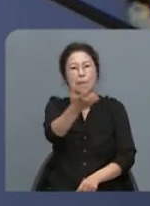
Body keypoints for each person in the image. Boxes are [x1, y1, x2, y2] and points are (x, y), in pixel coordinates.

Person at [38, 41, 137, 191]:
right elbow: (53, 133)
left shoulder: (114, 108)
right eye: (73, 68)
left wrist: (95, 179)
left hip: (108, 191)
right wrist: (75, 108)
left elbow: (126, 155)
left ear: (96, 71)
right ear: (65, 76)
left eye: (86, 66)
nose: (81, 73)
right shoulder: (56, 105)